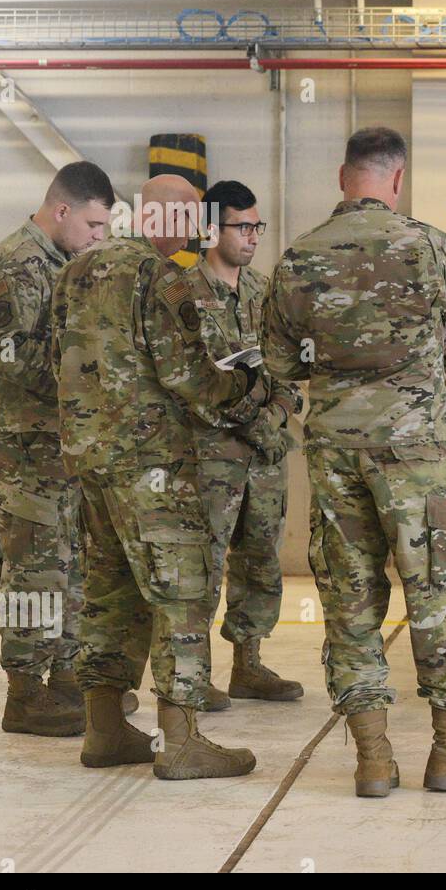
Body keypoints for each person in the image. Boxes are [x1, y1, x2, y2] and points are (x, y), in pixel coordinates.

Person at [262, 126, 446, 796]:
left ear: (342, 176)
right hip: (418, 458)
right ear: (398, 178)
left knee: (350, 601)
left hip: (333, 456)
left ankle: (373, 759)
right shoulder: (430, 247)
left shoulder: (297, 258)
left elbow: (273, 359)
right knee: (439, 595)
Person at [52, 174, 265, 778]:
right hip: (150, 463)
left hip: (88, 459)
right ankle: (182, 739)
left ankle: (104, 727)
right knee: (182, 591)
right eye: (195, 216)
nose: (200, 229)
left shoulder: (77, 270)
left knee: (109, 591)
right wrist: (250, 386)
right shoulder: (159, 276)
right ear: (169, 218)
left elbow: (55, 362)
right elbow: (189, 377)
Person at [0, 162, 114, 736]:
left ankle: (66, 678)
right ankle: (25, 693)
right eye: (94, 224)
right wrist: (91, 378)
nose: (99, 237)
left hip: (62, 442)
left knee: (69, 564)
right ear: (62, 210)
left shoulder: (60, 262)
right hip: (27, 442)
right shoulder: (18, 263)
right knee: (35, 568)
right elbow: (5, 356)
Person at [181, 179, 303, 709]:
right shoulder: (181, 295)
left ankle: (248, 664)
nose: (253, 236)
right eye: (242, 226)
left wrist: (275, 411)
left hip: (265, 456)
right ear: (212, 229)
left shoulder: (265, 293)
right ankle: (194, 673)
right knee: (201, 564)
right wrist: (248, 415)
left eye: (258, 226)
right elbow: (183, 381)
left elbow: (291, 368)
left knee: (261, 560)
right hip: (209, 457)